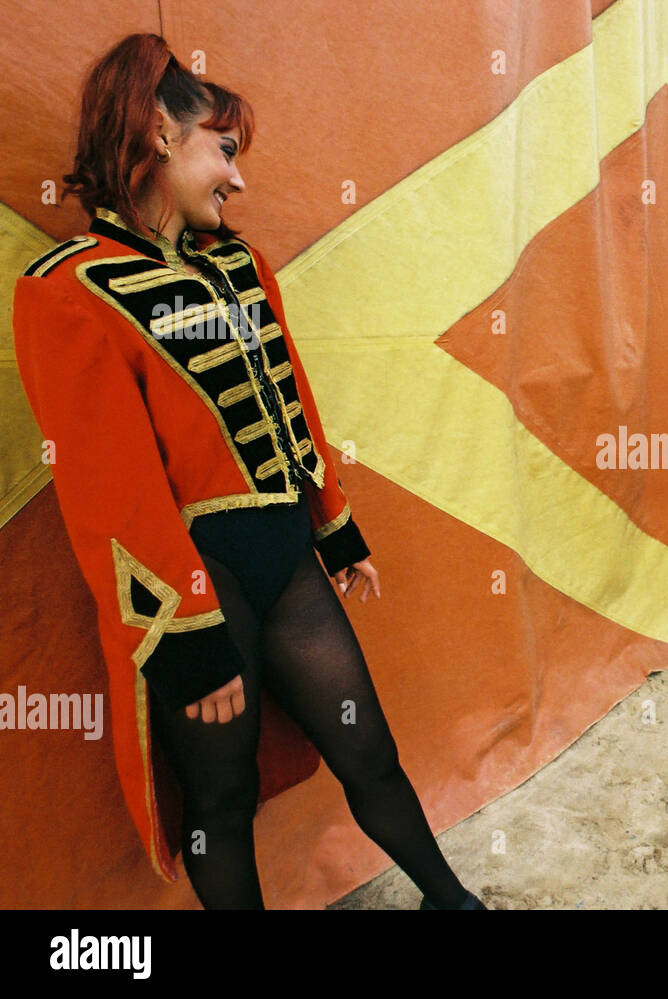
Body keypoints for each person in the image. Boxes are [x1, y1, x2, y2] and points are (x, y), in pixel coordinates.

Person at [13, 34, 481, 910]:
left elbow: (291, 397)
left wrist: (336, 527)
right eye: (225, 150)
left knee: (367, 749)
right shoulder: (66, 288)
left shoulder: (240, 262)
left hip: (283, 554)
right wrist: (189, 637)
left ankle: (454, 902)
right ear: (159, 132)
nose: (239, 179)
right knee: (219, 806)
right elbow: (109, 491)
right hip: (197, 582)